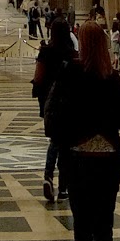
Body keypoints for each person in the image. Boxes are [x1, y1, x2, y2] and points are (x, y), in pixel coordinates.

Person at [45, 20, 120, 241]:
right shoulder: (112, 76)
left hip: (78, 161)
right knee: (104, 226)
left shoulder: (70, 73)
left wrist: (72, 135)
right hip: (109, 161)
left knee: (82, 225)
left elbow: (52, 119)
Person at [32, 15, 75, 202]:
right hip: (69, 101)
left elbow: (39, 78)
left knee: (55, 140)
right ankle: (64, 187)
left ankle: (48, 175)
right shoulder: (72, 53)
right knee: (65, 144)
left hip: (50, 102)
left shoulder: (45, 52)